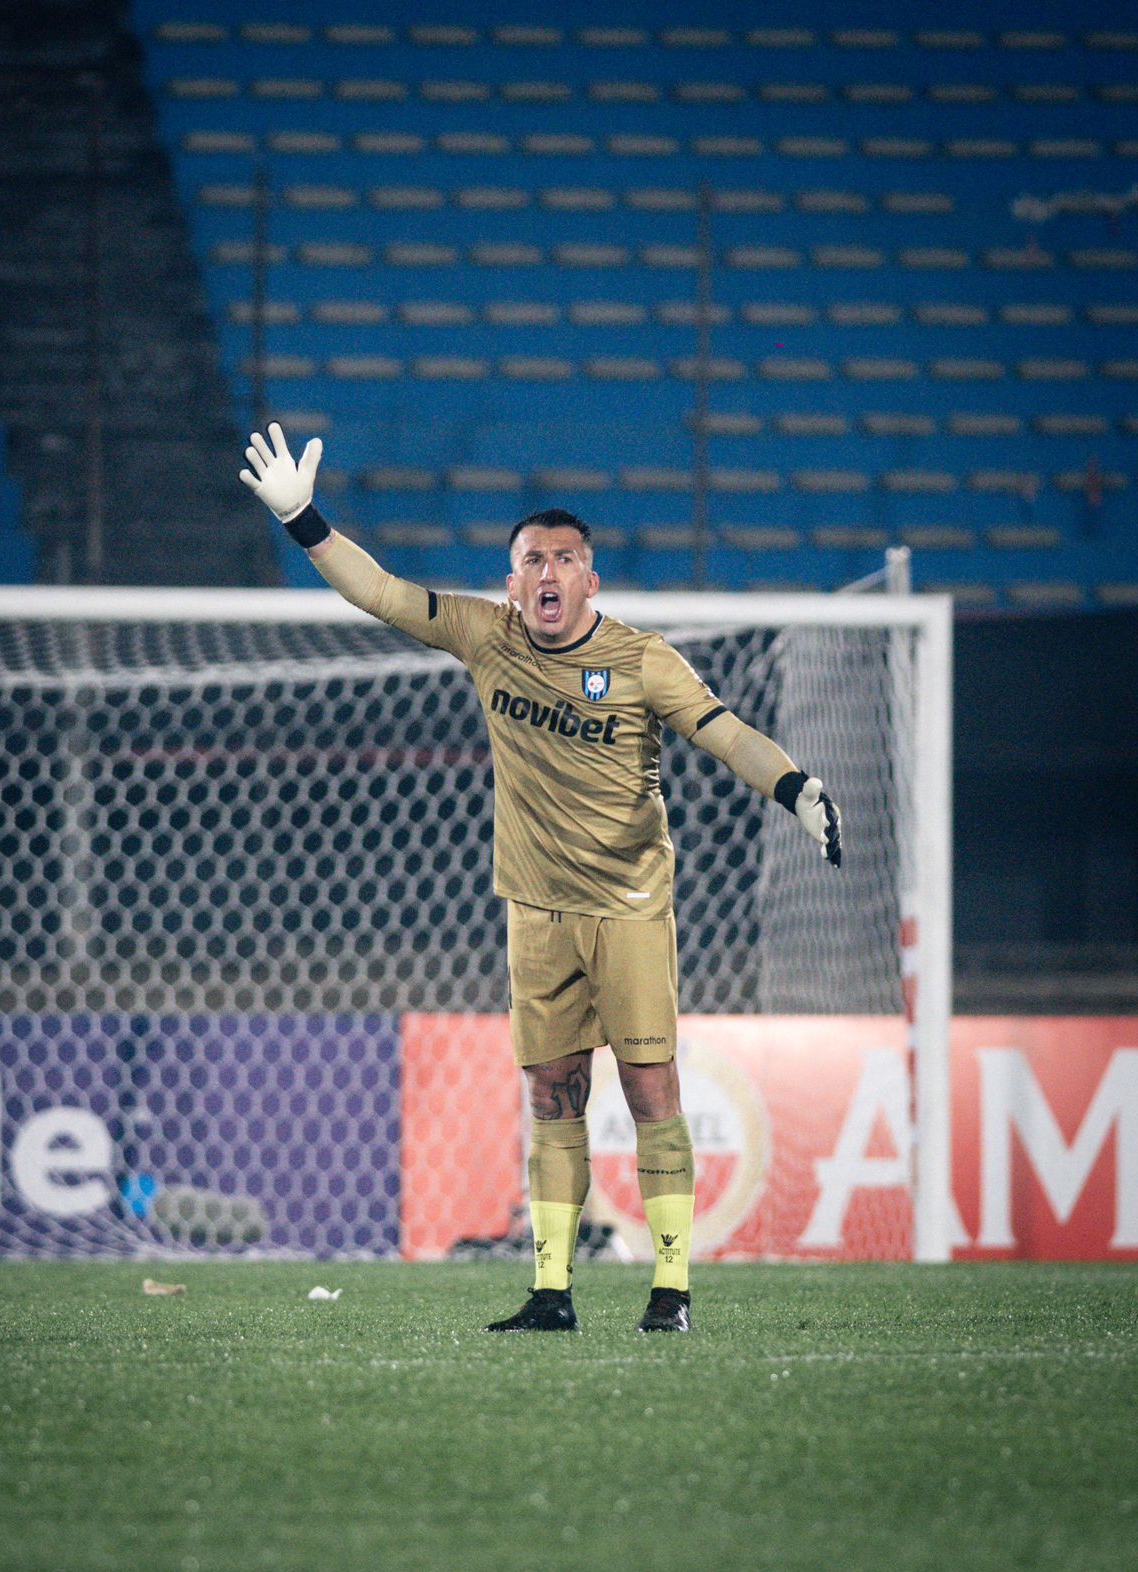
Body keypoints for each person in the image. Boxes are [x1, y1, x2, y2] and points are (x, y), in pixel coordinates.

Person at [240, 425, 842, 1334]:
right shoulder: (489, 638)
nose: (549, 571)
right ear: (513, 581)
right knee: (554, 1095)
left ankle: (671, 1292)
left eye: (566, 558)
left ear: (590, 580)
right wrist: (303, 519)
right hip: (536, 913)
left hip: (630, 908)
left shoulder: (643, 661)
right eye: (532, 560)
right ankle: (551, 1293)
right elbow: (383, 594)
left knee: (651, 1093)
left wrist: (794, 786)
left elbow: (723, 733)